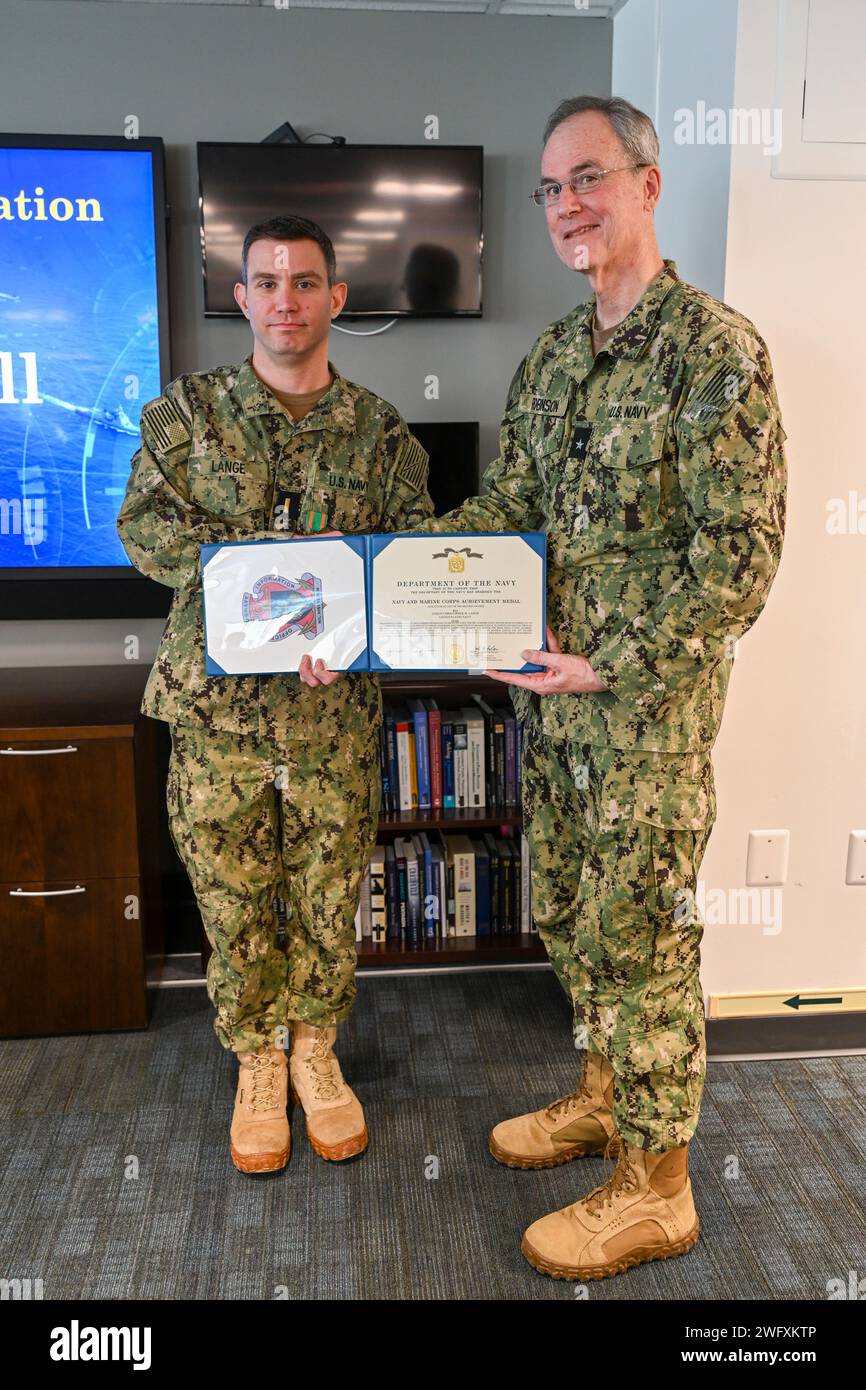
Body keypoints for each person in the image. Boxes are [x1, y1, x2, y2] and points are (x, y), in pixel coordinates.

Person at [410, 96, 787, 1279]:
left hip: (640, 725)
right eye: (551, 189)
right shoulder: (555, 357)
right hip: (549, 713)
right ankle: (605, 1093)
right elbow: (501, 512)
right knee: (573, 919)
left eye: (587, 179)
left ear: (646, 184)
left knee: (643, 943)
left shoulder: (710, 350)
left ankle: (656, 1185)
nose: (566, 205)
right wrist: (392, 586)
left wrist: (609, 660)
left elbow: (739, 557)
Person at [116, 214, 434, 1174]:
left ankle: (315, 1054)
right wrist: (254, 584)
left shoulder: (379, 432)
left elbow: (411, 555)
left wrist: (357, 628)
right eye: (266, 281)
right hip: (220, 719)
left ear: (335, 298)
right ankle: (257, 1063)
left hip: (332, 716)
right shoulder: (187, 417)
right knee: (235, 894)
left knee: (328, 894)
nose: (285, 299)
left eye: (305, 281)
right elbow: (141, 528)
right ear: (241, 297)